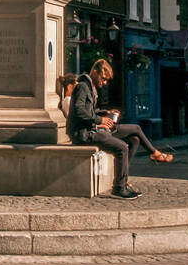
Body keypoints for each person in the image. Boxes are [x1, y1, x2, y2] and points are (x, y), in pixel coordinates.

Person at [66, 59, 173, 199]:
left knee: (134, 138)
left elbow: (90, 110)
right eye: (103, 78)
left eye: (106, 80)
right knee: (122, 147)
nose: (104, 83)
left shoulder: (89, 87)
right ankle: (119, 188)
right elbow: (79, 110)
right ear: (95, 72)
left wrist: (105, 113)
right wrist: (100, 120)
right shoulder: (82, 86)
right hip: (83, 134)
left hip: (92, 130)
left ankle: (123, 181)